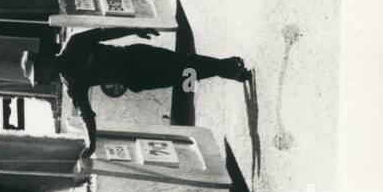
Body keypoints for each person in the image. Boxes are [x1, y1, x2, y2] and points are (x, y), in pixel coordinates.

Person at [43, 27, 250, 158]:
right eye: (43, 74)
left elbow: (105, 32)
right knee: (180, 75)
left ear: (47, 58)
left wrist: (135, 29)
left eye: (43, 68)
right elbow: (86, 113)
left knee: (183, 63)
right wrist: (91, 141)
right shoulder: (71, 82)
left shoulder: (74, 43)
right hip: (136, 79)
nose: (46, 73)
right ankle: (226, 67)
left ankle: (226, 68)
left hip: (136, 56)